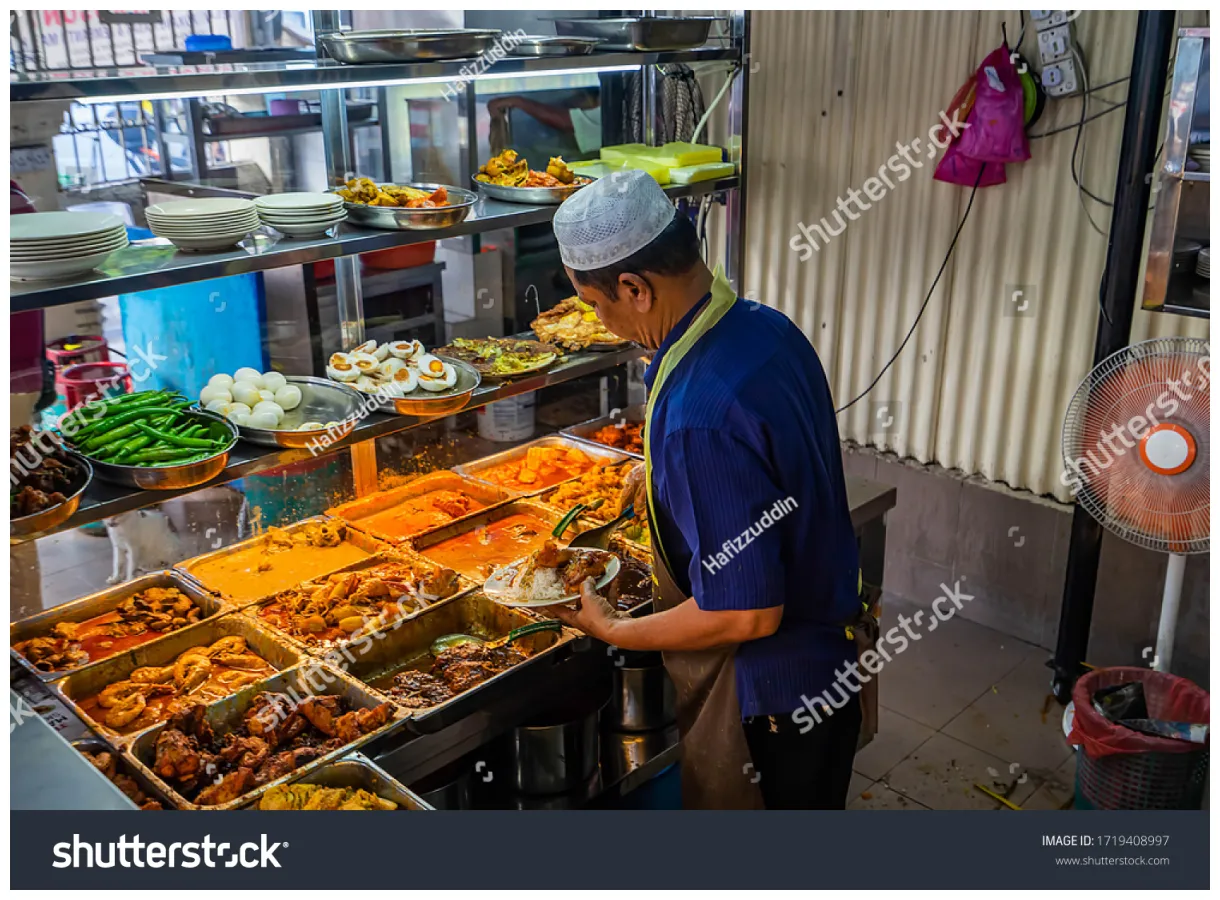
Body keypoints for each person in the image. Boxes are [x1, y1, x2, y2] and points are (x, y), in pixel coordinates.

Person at [549, 170, 871, 810]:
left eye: (595, 304)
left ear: (636, 288)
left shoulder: (697, 417)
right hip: (834, 668)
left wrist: (611, 627)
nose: (601, 321)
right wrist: (659, 478)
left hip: (774, 702)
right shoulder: (765, 328)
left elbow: (746, 613)